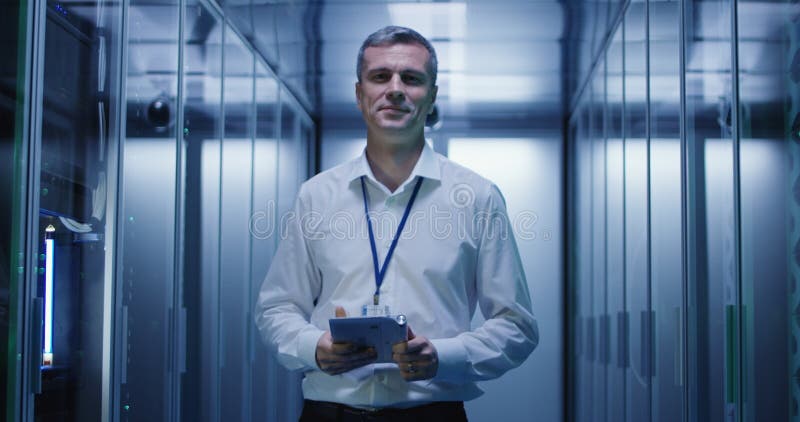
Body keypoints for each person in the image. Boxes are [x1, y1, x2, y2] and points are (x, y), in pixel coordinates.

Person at [254, 25, 538, 421]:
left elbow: (517, 326)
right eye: (380, 76)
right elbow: (276, 308)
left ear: (432, 95)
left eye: (412, 78)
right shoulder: (316, 197)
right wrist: (312, 346)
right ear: (359, 93)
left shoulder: (477, 197)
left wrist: (444, 356)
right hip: (329, 412)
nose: (396, 88)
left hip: (432, 413)